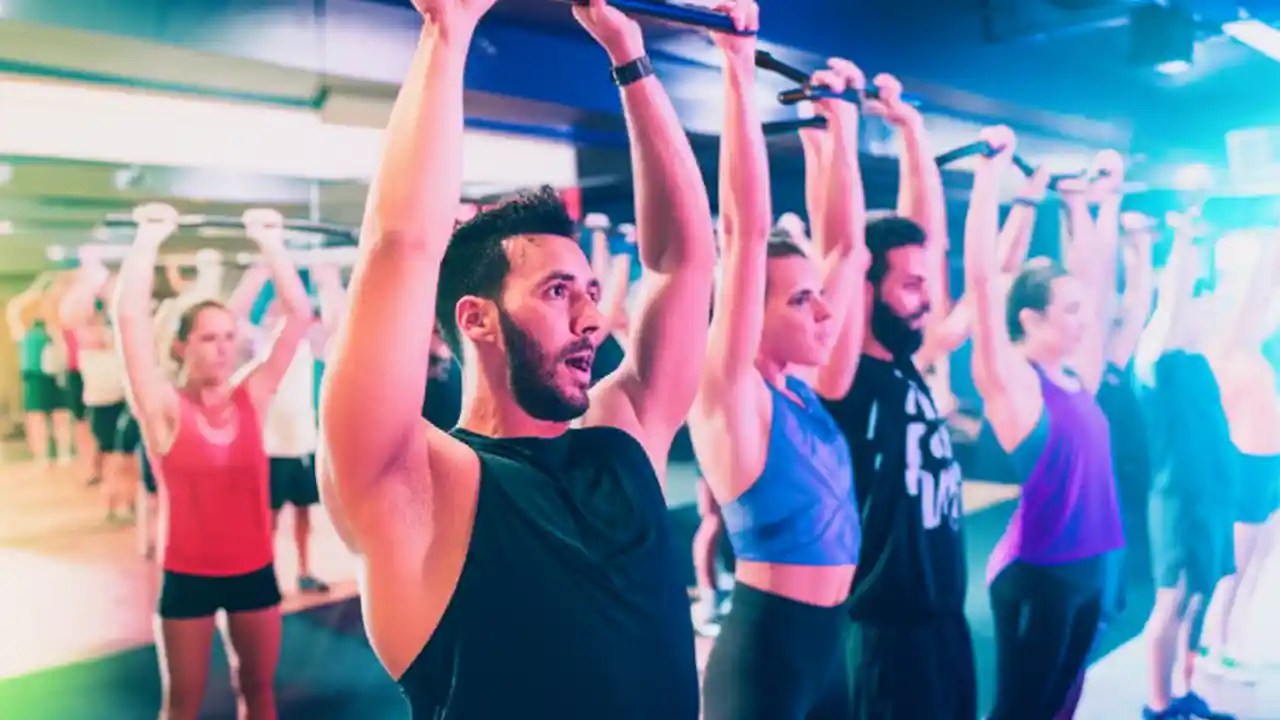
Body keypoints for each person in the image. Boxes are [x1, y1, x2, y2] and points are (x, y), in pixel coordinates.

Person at [317, 0, 716, 716]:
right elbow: (400, 248)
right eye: (559, 292)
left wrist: (630, 57)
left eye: (591, 292)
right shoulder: (416, 488)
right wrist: (450, 27)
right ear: (477, 319)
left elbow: (684, 263)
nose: (593, 318)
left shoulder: (623, 437)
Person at [690, 21, 867, 715]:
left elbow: (849, 249)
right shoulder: (735, 396)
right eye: (802, 299)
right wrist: (736, 67)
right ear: (748, 312)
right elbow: (743, 232)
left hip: (831, 641)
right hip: (767, 655)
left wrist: (839, 122)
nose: (828, 314)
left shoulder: (800, 389)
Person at [812, 71, 979, 719]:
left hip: (944, 625)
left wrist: (912, 131)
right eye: (906, 286)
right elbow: (846, 248)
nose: (925, 297)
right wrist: (842, 128)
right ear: (867, 290)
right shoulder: (845, 377)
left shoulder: (909, 366)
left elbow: (926, 242)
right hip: (885, 635)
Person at [115, 203, 312, 720]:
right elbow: (130, 318)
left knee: (259, 691)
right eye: (208, 338)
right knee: (182, 705)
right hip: (188, 576)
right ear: (181, 346)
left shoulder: (252, 396)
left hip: (254, 570)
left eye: (229, 337)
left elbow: (299, 316)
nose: (223, 349)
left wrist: (271, 242)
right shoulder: (163, 410)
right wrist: (149, 238)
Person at [964, 127, 1125, 720]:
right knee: (1022, 712)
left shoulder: (1075, 374)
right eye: (1071, 311)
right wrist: (993, 178)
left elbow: (1099, 278)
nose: (1086, 320)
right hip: (1039, 577)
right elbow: (984, 282)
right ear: (1031, 319)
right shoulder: (1015, 385)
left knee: (1064, 702)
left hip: (1092, 565)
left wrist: (1097, 203)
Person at [1135, 210, 1239, 720]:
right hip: (1175, 498)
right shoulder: (1157, 356)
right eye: (1202, 305)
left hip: (1208, 496)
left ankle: (1182, 691)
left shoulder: (1198, 361)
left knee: (1195, 599)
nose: (1208, 312)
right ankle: (1157, 705)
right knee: (1170, 602)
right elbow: (1174, 299)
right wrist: (1182, 236)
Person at [1203, 233, 1280, 671]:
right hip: (1247, 465)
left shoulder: (1255, 353)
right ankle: (1217, 639)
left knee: (1260, 559)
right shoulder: (1227, 349)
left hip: (1270, 466)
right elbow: (1257, 295)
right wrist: (1271, 249)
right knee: (1236, 565)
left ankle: (1236, 634)